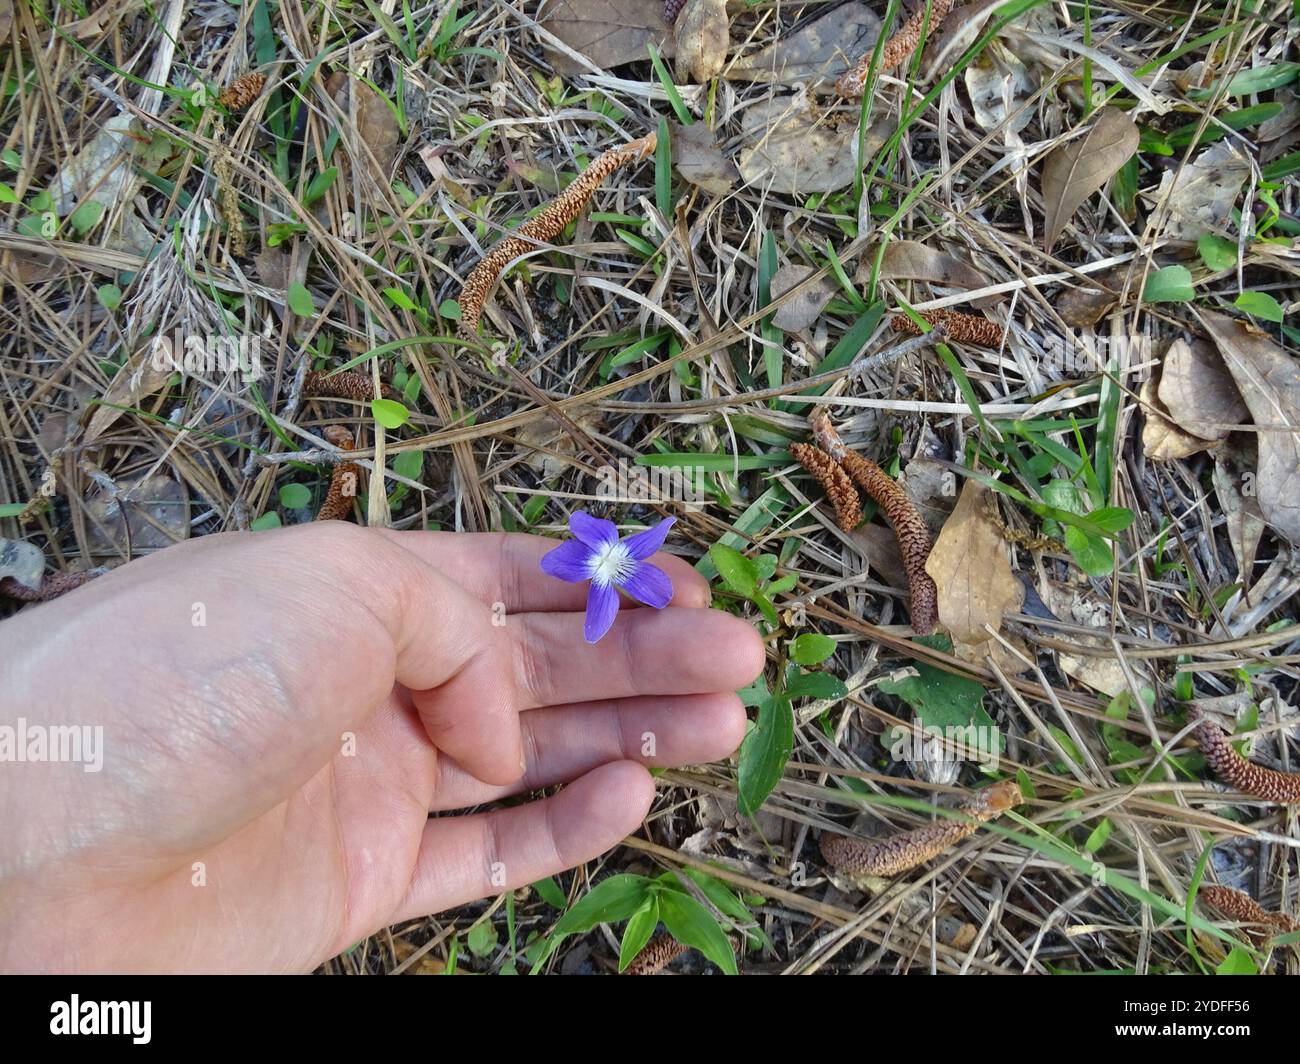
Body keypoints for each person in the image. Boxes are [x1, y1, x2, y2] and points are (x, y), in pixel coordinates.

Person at [0, 522, 764, 972]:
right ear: (600, 556)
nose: (614, 572)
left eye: (620, 566)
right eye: (611, 564)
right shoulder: (594, 582)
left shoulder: (625, 583)